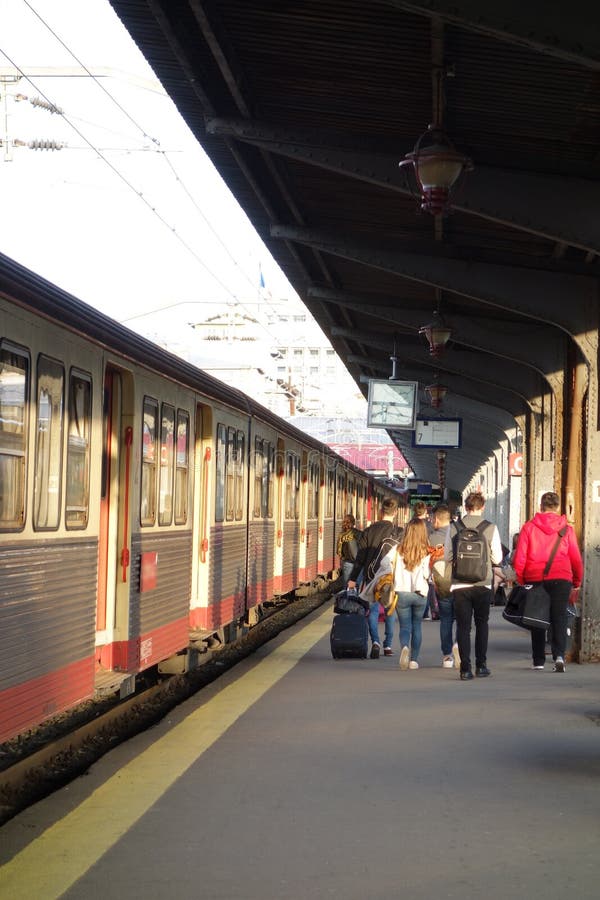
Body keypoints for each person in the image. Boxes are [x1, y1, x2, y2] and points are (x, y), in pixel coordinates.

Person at [513, 491, 583, 672]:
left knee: (536, 618)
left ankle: (538, 661)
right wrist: (577, 580)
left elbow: (520, 557)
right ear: (558, 507)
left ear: (540, 507)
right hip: (561, 578)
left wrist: (521, 578)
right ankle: (559, 656)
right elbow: (575, 558)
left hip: (535, 578)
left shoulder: (529, 527)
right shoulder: (566, 529)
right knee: (558, 617)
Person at [444, 492, 503, 680]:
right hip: (483, 583)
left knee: (463, 627)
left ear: (466, 506)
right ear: (482, 506)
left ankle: (465, 669)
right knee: (481, 624)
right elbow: (497, 558)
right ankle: (482, 665)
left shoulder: (454, 527)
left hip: (460, 584)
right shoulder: (490, 528)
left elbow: (447, 556)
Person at [347, 498, 401, 659]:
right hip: (391, 577)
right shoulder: (399, 532)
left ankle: (375, 642)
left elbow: (360, 559)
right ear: (396, 512)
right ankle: (388, 645)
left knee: (373, 611)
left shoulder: (368, 531)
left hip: (371, 576)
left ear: (380, 511)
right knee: (390, 611)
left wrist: (353, 579)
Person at [393, 519, 431, 670]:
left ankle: (404, 647)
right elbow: (427, 574)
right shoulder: (427, 552)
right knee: (417, 626)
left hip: (401, 592)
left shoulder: (397, 550)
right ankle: (414, 661)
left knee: (404, 626)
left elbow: (385, 565)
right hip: (420, 593)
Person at [428, 503, 460, 669]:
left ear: (437, 520)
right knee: (462, 619)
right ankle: (458, 646)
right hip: (461, 582)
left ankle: (447, 656)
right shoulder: (460, 533)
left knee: (446, 619)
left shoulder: (431, 538)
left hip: (442, 584)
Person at [336, 513, 362, 586]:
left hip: (347, 563)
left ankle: (347, 597)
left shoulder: (342, 535)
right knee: (357, 585)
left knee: (347, 586)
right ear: (353, 523)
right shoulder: (359, 533)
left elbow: (339, 551)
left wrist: (343, 557)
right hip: (359, 563)